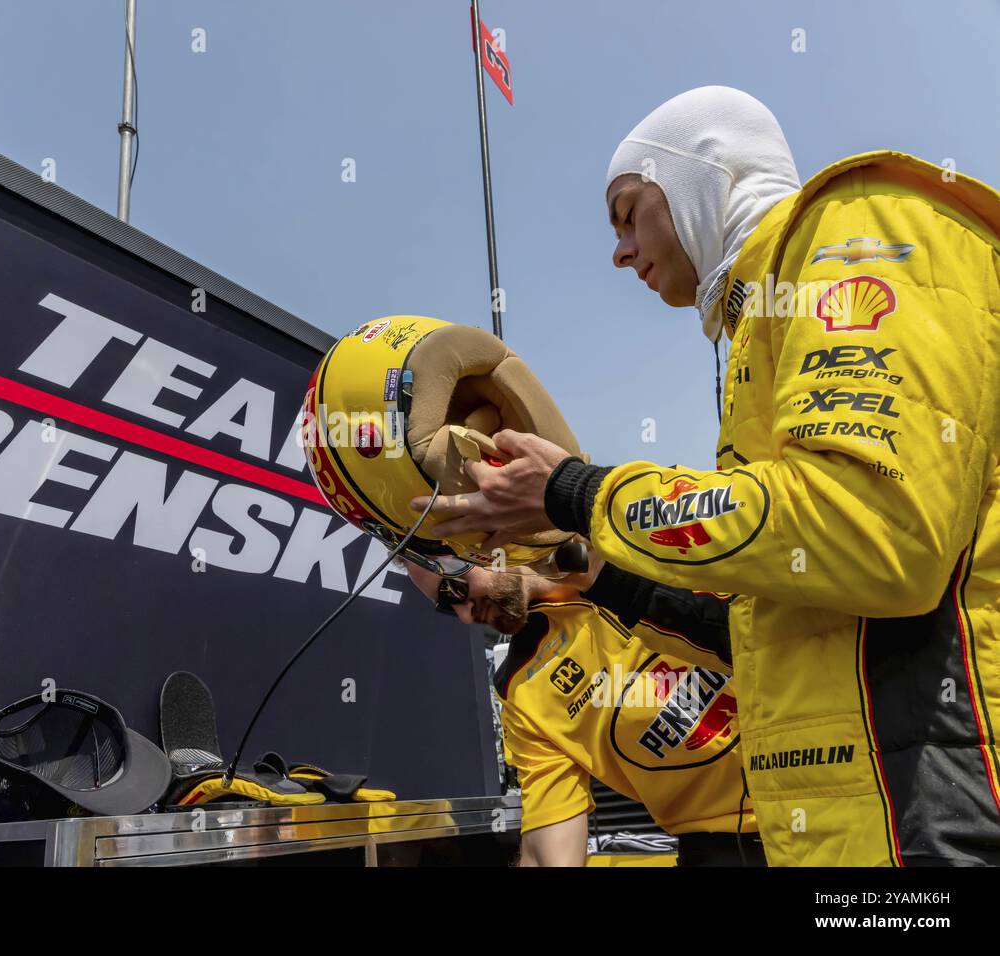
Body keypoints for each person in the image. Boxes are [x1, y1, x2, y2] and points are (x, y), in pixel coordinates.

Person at [414, 86, 1000, 866]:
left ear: (705, 171)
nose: (619, 251)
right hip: (853, 829)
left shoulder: (859, 224)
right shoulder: (757, 324)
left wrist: (577, 494)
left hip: (932, 810)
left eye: (628, 212)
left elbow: (873, 529)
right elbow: (764, 607)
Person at [403, 559, 764, 866]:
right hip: (729, 846)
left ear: (474, 543)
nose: (466, 616)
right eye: (445, 607)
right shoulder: (520, 686)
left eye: (456, 589)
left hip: (814, 774)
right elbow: (551, 844)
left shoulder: (632, 531)